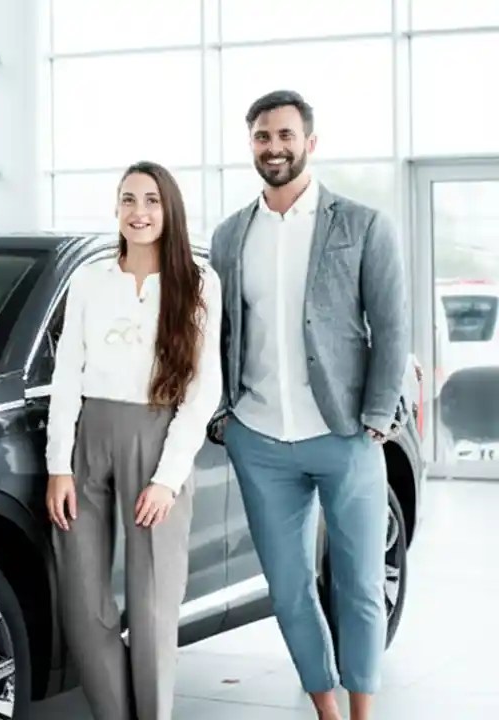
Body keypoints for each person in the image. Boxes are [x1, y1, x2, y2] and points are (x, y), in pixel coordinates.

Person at [207, 89, 410, 720]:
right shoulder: (229, 235)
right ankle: (325, 708)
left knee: (359, 587)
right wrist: (224, 415)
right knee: (290, 589)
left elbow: (393, 326)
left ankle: (362, 710)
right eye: (263, 137)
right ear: (252, 145)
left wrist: (378, 416)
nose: (274, 148)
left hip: (345, 434)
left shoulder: (364, 225)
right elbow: (219, 330)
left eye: (285, 136)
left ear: (310, 143)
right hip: (260, 438)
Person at [45, 160, 223, 720]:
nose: (138, 212)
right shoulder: (89, 280)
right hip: (89, 436)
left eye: (150, 200)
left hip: (158, 437)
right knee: (82, 599)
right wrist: (59, 465)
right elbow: (66, 372)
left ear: (169, 209)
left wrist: (168, 479)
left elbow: (203, 389)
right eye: (127, 200)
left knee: (151, 603)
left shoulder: (198, 283)